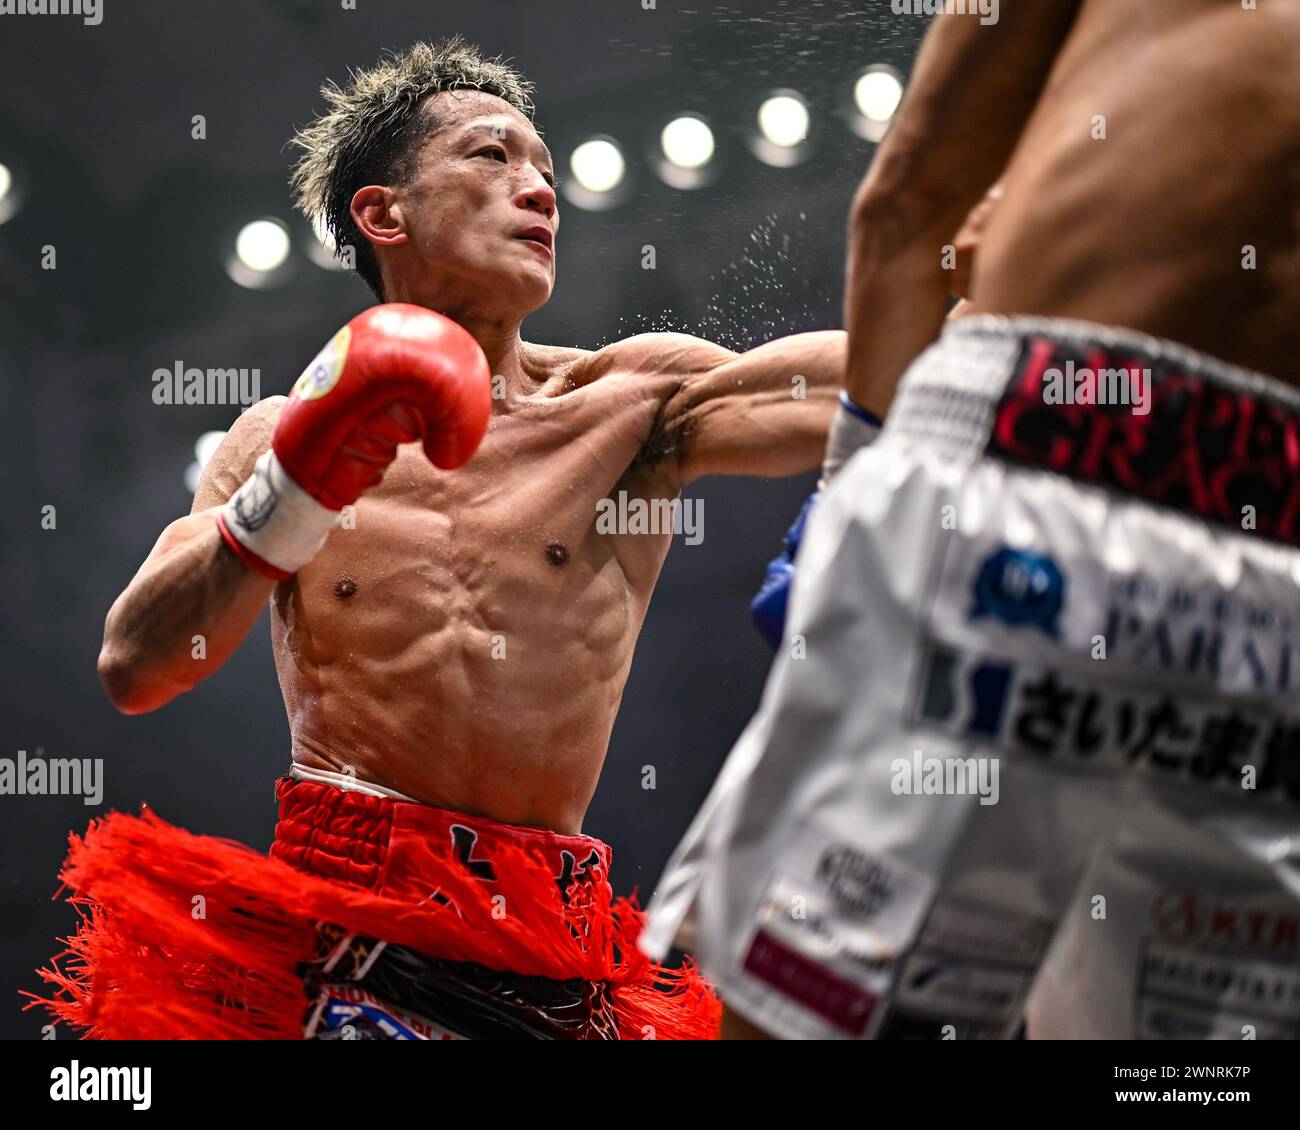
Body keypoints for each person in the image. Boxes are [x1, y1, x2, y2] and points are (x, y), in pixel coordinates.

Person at [30, 37, 845, 1041]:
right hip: (347, 927)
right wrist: (297, 484)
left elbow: (870, 386)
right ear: (383, 214)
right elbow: (136, 665)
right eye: (492, 157)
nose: (540, 190)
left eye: (547, 170)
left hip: (560, 948)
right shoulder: (272, 434)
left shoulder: (630, 404)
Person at [642, 0, 1300, 1040]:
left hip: (1075, 484)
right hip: (1072, 466)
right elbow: (915, 212)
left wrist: (847, 503)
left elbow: (908, 200)